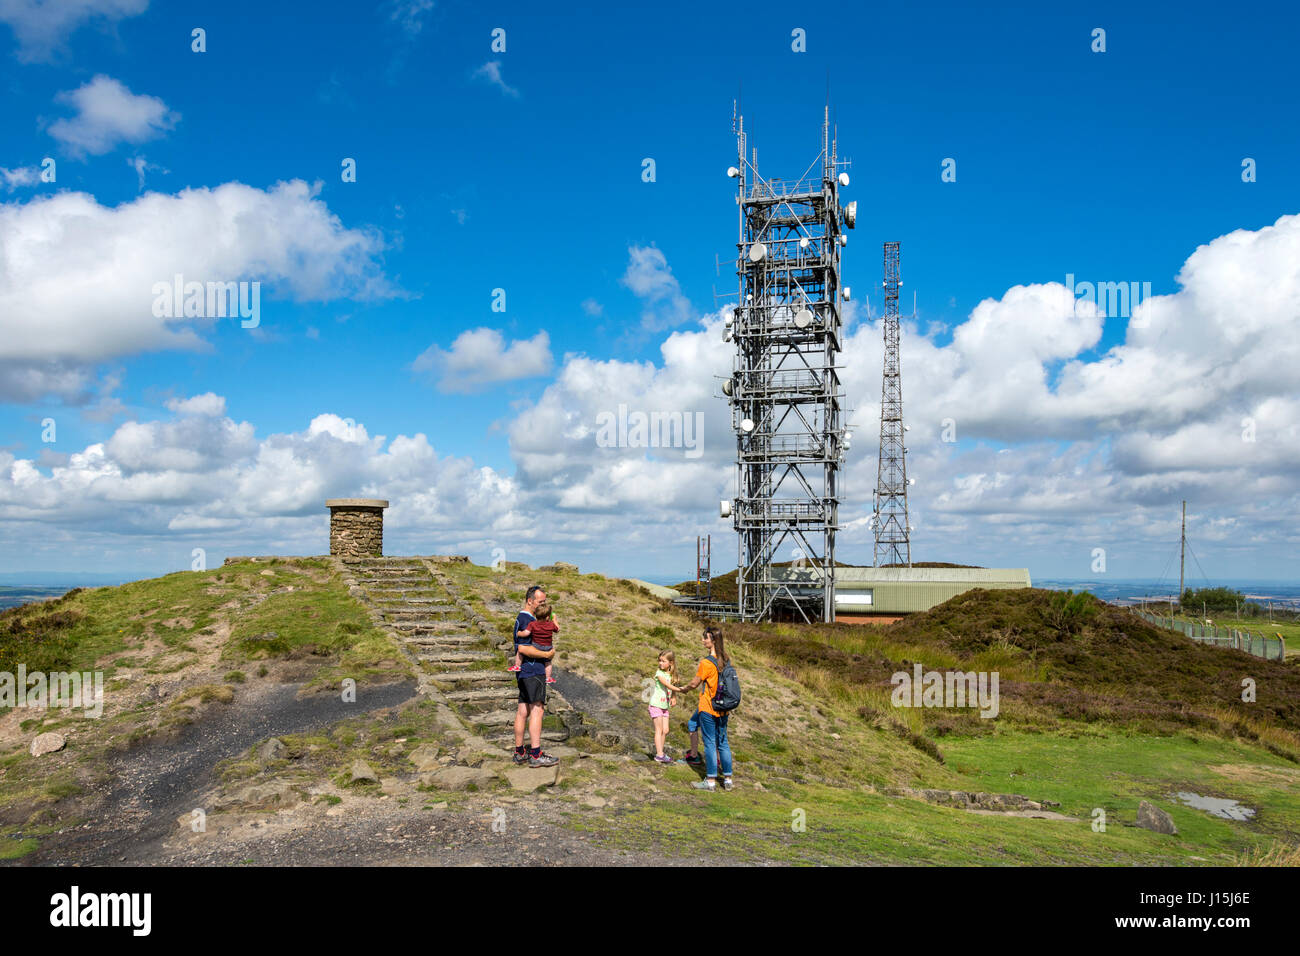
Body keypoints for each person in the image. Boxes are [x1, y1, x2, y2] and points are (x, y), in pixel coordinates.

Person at [668, 625, 733, 791]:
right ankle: (728, 780)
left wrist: (682, 690)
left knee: (710, 743)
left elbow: (694, 683)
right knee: (723, 743)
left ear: (713, 641)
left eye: (705, 638)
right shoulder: (726, 659)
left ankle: (710, 781)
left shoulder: (706, 662)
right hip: (723, 707)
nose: (702, 640)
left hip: (708, 706)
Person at [511, 586, 558, 767]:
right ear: (530, 601)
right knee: (538, 709)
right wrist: (547, 655)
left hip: (524, 672)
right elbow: (522, 648)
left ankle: (520, 751)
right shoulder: (526, 619)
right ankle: (536, 754)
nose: (544, 604)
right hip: (533, 670)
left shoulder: (527, 619)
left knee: (523, 711)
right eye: (541, 602)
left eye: (545, 601)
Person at [511, 601, 558, 684]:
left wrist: (519, 633)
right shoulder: (551, 624)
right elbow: (557, 629)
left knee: (520, 650)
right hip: (548, 647)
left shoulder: (532, 624)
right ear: (547, 617)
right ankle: (548, 678)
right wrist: (554, 619)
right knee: (548, 662)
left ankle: (517, 666)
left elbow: (526, 633)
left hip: (536, 646)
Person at [647, 650, 678, 763]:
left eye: (663, 661)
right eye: (659, 660)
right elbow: (667, 685)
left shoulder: (671, 674)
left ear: (670, 662)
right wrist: (681, 690)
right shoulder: (659, 673)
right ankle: (659, 755)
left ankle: (660, 753)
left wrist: (674, 696)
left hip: (664, 707)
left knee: (665, 730)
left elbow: (672, 686)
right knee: (659, 730)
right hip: (656, 705)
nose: (660, 663)